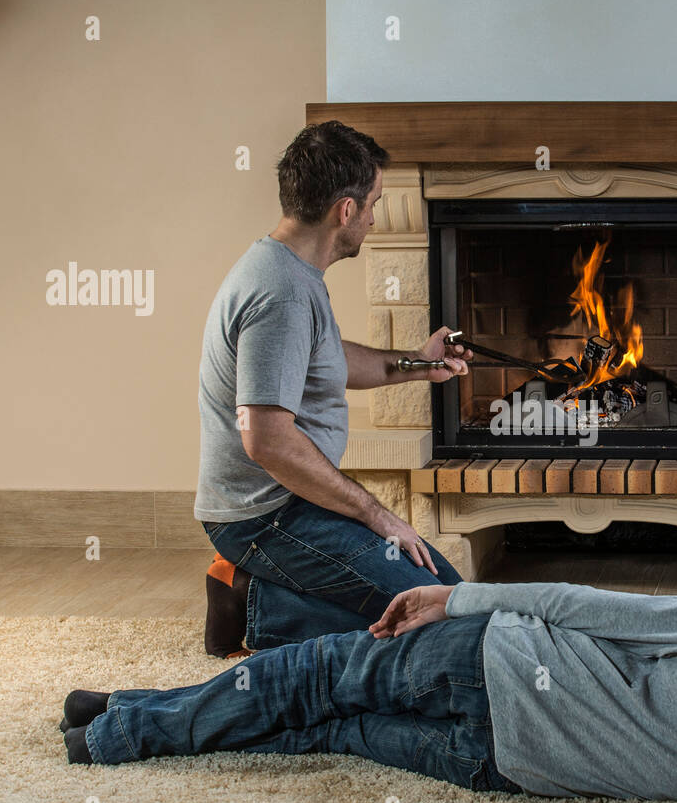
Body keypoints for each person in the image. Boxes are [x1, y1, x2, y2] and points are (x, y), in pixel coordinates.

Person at [59, 550, 677, 803]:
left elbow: (585, 604)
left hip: (496, 666)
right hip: (498, 765)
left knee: (315, 674)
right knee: (333, 728)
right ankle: (128, 712)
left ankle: (118, 731)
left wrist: (462, 596)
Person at [194, 120, 473, 658]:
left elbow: (328, 360)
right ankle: (252, 601)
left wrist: (420, 363)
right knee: (442, 612)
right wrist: (375, 513)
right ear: (344, 211)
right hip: (266, 514)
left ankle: (254, 590)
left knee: (444, 598)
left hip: (294, 501)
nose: (373, 217)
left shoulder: (290, 271)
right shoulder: (282, 295)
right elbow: (267, 441)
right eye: (372, 203)